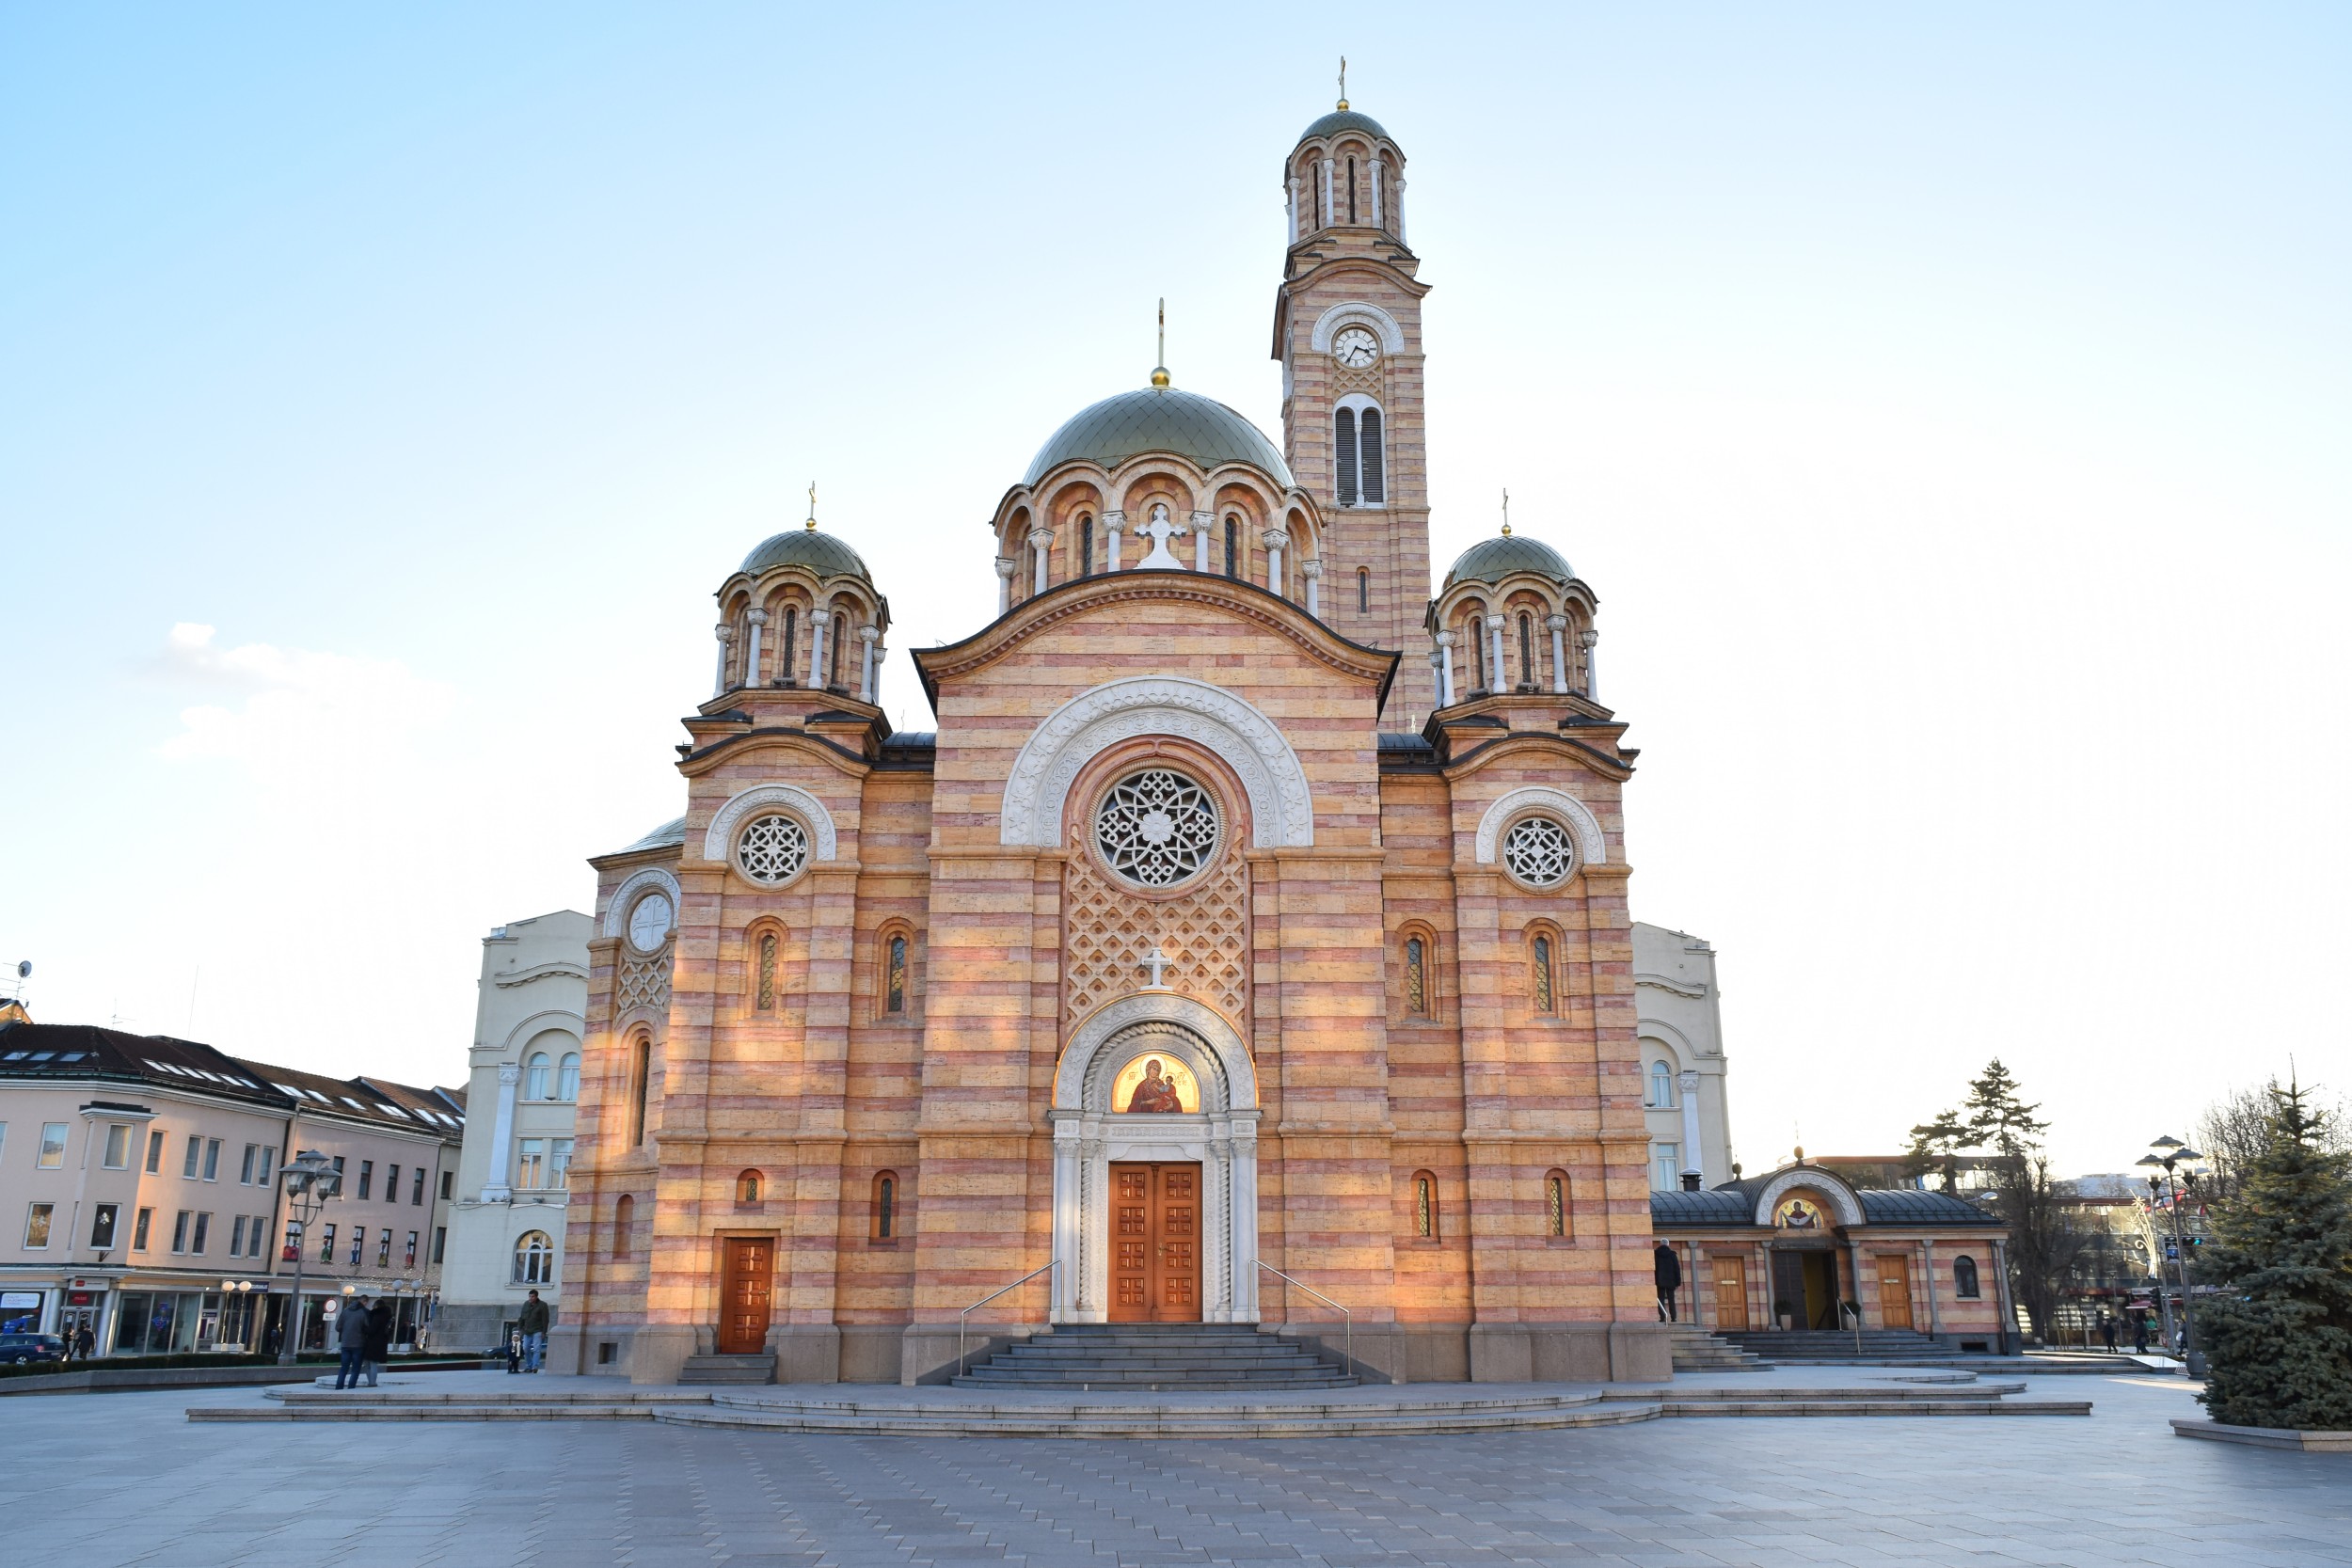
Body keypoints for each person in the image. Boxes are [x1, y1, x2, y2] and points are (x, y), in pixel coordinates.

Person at [334, 1297, 372, 1390]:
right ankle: (351, 1388)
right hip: (358, 1343)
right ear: (363, 1303)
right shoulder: (363, 1312)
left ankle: (339, 1387)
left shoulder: (345, 1311)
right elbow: (368, 1327)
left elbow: (338, 1327)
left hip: (345, 1343)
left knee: (344, 1368)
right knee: (356, 1369)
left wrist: (346, 1331)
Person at [516, 1289, 550, 1374]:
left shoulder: (542, 1305)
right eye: (529, 1296)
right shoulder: (526, 1304)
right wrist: (519, 1328)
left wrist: (544, 1332)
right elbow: (521, 1317)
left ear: (536, 1297)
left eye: (532, 1297)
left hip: (538, 1330)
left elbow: (545, 1319)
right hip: (527, 1330)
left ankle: (535, 1366)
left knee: (536, 1349)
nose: (531, 1298)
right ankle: (529, 1366)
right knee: (525, 1348)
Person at [361, 1297, 392, 1388]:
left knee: (369, 1363)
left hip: (373, 1342)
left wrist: (364, 1329)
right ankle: (372, 1382)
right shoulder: (387, 1317)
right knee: (373, 1363)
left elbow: (372, 1330)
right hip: (381, 1342)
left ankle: (372, 1382)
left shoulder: (377, 1316)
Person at [1653, 1241, 1682, 1323]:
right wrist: (1678, 1282)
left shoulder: (1656, 1254)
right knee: (1671, 1299)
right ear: (1668, 1244)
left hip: (1659, 1279)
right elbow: (1677, 1269)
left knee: (1660, 1299)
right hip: (1671, 1280)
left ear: (1660, 1244)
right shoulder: (1672, 1254)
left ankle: (1662, 1317)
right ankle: (1673, 1317)